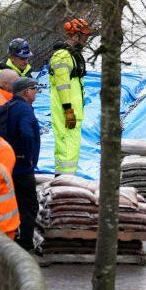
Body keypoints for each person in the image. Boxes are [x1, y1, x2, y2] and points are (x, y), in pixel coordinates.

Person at [0, 77, 41, 251]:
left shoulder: (10, 106)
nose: (36, 92)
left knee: (13, 202)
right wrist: (28, 157)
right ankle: (26, 241)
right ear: (26, 92)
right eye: (34, 89)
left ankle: (12, 236)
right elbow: (27, 134)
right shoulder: (25, 110)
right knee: (29, 205)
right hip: (23, 167)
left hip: (10, 164)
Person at [49, 18, 90, 176]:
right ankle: (63, 180)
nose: (86, 40)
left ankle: (67, 179)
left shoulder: (71, 55)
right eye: (85, 36)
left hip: (73, 112)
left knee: (71, 148)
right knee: (66, 147)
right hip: (67, 112)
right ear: (76, 36)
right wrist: (68, 110)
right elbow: (63, 86)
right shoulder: (62, 57)